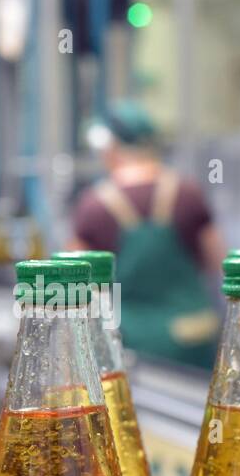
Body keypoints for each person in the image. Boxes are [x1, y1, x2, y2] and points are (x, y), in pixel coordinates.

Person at [68, 100, 224, 369]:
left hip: (131, 345)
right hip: (194, 337)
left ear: (110, 147)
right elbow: (219, 263)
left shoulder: (94, 205)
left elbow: (73, 281)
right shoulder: (188, 193)